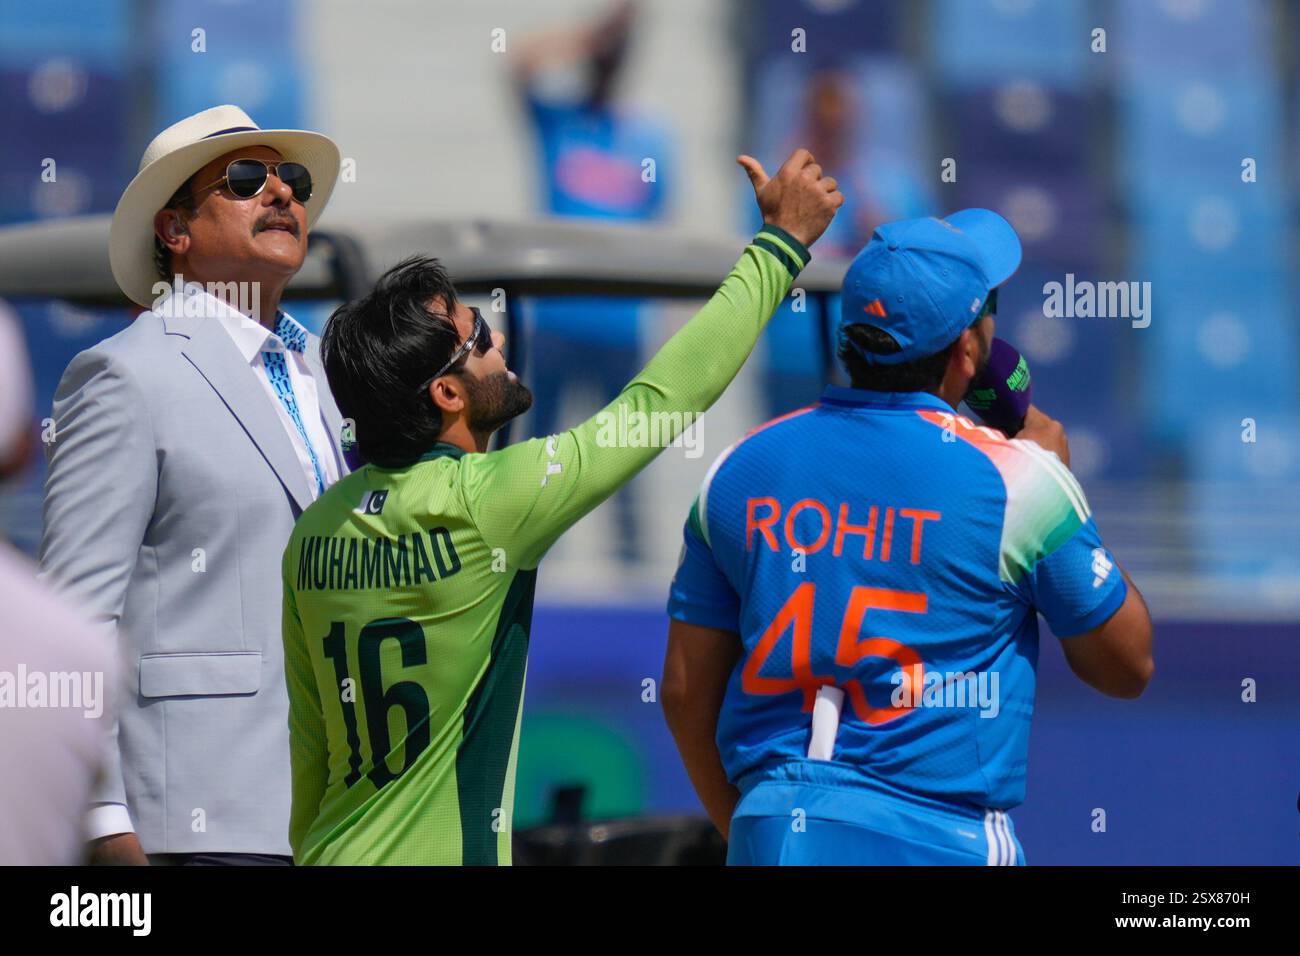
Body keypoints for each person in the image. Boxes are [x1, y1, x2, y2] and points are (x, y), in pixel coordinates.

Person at [283, 148, 842, 864]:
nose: (501, 340)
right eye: (478, 339)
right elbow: (661, 403)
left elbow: (309, 757)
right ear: (447, 396)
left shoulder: (315, 529)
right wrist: (779, 247)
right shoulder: (490, 501)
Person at [661, 210, 1154, 865]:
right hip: (938, 839)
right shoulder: (1020, 483)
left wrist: (751, 828)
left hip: (773, 827)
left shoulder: (736, 468)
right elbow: (1126, 667)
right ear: (967, 352)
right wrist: (1061, 489)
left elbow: (683, 691)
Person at [40, 105, 348, 865]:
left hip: (330, 821)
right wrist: (105, 824)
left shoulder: (325, 377)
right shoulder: (126, 374)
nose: (281, 194)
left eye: (293, 180)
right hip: (195, 825)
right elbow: (74, 626)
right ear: (174, 231)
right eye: (246, 179)